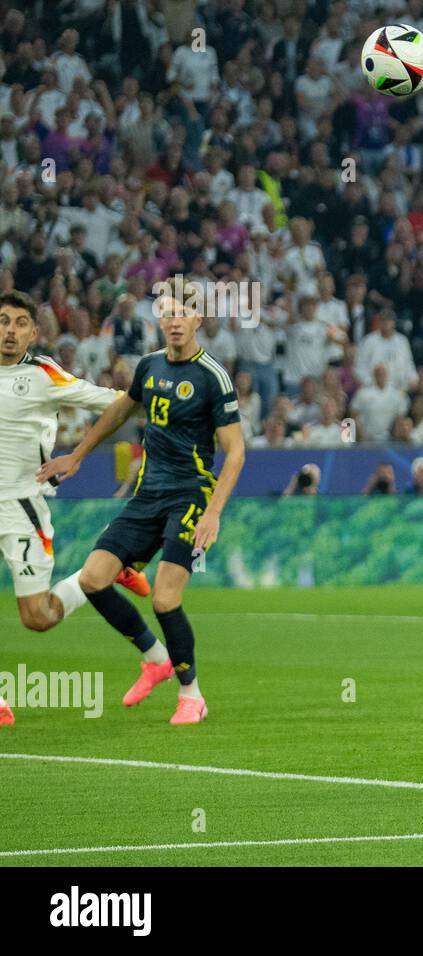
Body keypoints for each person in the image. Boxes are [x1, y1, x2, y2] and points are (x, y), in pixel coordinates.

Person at [38, 295, 246, 725]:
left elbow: (236, 452)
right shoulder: (150, 366)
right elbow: (119, 411)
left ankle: (192, 694)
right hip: (146, 495)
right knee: (94, 579)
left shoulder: (213, 377)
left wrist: (213, 513)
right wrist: (76, 455)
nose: (174, 322)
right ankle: (155, 658)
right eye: (167, 313)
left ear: (197, 319)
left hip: (190, 496)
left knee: (167, 599)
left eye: (183, 314)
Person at [0, 292, 151, 724]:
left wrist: (156, 395)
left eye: (19, 323)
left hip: (20, 507)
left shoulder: (44, 375)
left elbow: (114, 401)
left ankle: (96, 575)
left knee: (39, 618)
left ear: (33, 331)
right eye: (3, 320)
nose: (10, 330)